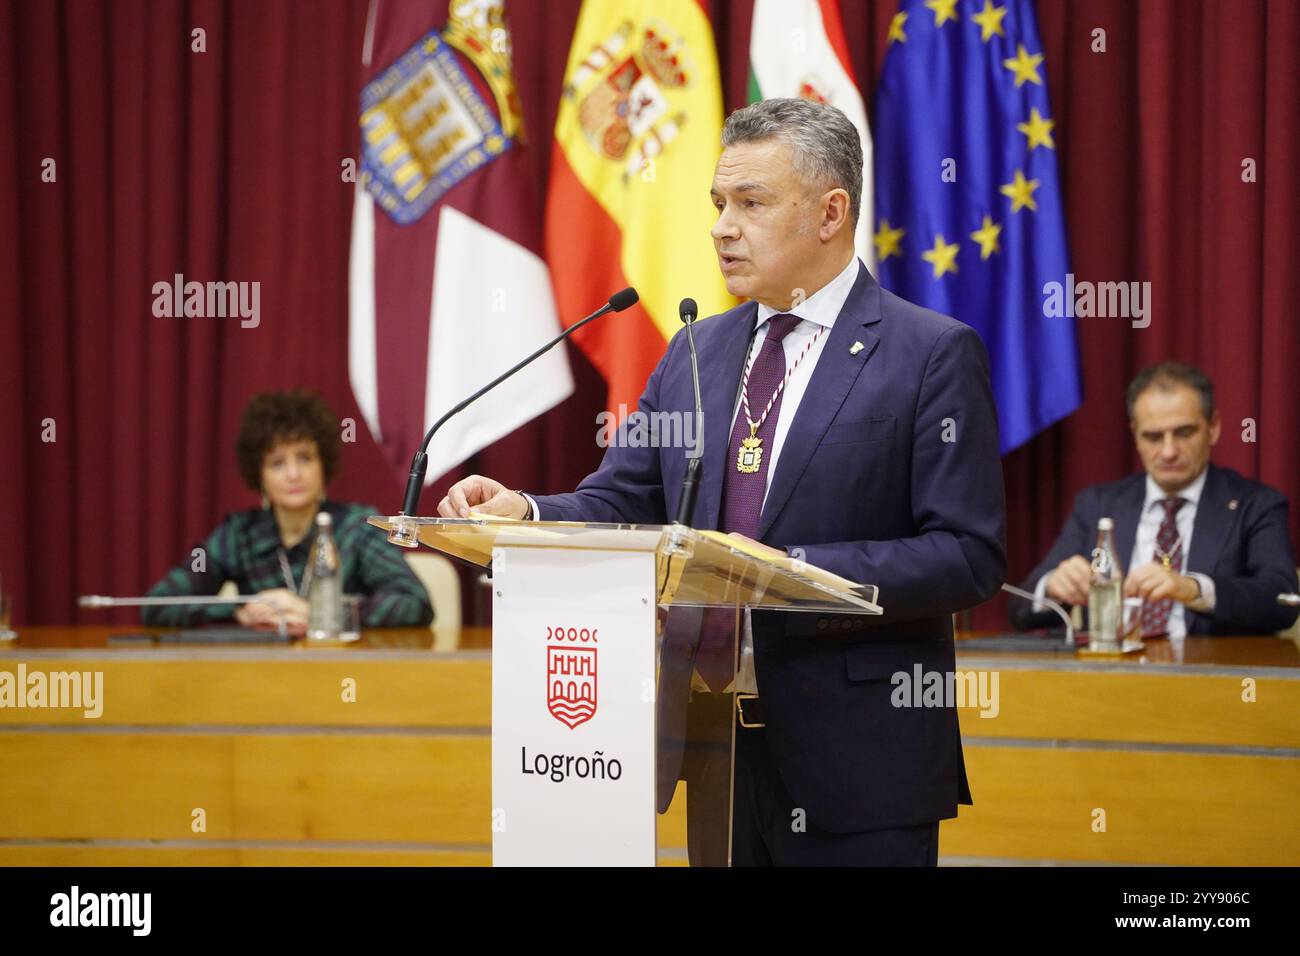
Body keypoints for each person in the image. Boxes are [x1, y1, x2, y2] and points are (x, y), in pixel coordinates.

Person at [437, 99, 1006, 865]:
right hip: (710, 746)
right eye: (717, 203)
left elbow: (966, 556)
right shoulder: (698, 350)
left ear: (831, 212)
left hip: (860, 760)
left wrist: (788, 574)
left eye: (751, 203)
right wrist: (526, 510)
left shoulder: (927, 353)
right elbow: (623, 498)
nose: (721, 227)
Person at [1012, 361, 1298, 637]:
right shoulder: (1098, 504)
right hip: (1109, 676)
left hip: (1209, 675)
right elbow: (1019, 606)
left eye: (1184, 433)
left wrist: (1193, 589)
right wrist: (1051, 587)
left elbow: (1282, 600)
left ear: (1214, 427)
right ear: (1135, 435)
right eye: (1153, 437)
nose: (1169, 451)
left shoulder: (1256, 505)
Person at [144, 390, 433, 632]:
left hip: (342, 673)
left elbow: (414, 603)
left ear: (324, 466)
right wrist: (239, 612)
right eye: (277, 463)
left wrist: (323, 615)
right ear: (259, 476)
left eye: (305, 458)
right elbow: (158, 605)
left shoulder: (355, 528)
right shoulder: (239, 534)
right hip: (262, 681)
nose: (293, 474)